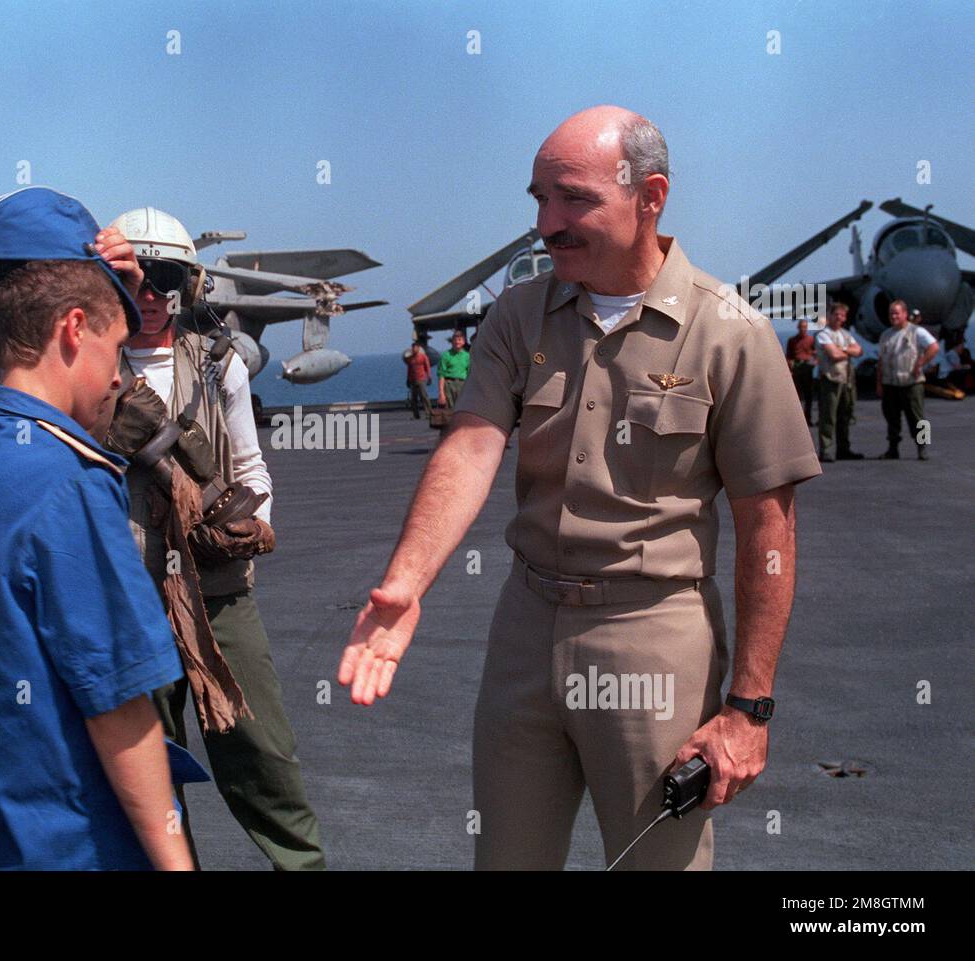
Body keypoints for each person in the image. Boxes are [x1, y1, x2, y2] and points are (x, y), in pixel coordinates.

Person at [338, 106, 820, 871]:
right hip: (525, 627)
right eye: (538, 199)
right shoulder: (519, 314)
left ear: (650, 195)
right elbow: (471, 446)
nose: (546, 223)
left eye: (573, 199)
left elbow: (769, 528)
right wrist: (405, 584)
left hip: (654, 635)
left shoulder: (731, 333)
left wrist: (748, 707)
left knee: (656, 863)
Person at [0, 188, 201, 870]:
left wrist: (110, 295)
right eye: (117, 347)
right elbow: (120, 714)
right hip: (69, 844)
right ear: (73, 329)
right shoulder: (68, 481)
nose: (116, 379)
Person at [101, 205, 326, 870]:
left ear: (186, 286)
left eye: (161, 278)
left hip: (219, 594)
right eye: (131, 277)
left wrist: (246, 525)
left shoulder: (218, 363)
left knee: (265, 758)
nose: (146, 293)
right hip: (128, 602)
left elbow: (252, 469)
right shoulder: (87, 371)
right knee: (149, 777)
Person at [876, 299, 939, 460]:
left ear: (905, 314)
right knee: (891, 418)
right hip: (890, 383)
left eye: (897, 313)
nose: (894, 316)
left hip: (911, 383)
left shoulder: (916, 332)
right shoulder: (886, 335)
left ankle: (922, 448)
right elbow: (881, 361)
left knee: (918, 418)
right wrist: (879, 383)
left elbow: (934, 347)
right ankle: (893, 448)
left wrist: (921, 363)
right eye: (891, 313)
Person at [815, 302, 864, 461]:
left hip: (846, 380)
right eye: (836, 314)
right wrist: (848, 352)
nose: (839, 318)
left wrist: (841, 350)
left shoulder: (845, 334)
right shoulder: (823, 334)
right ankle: (826, 450)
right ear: (830, 316)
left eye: (842, 315)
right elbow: (834, 355)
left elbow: (859, 350)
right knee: (828, 416)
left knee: (846, 415)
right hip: (830, 379)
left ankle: (844, 449)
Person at [785, 318, 816, 424]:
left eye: (805, 327)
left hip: (807, 367)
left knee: (808, 395)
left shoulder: (811, 339)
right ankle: (797, 420)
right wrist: (790, 368)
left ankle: (808, 419)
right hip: (797, 368)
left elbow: (816, 353)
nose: (803, 329)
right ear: (798, 328)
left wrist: (815, 362)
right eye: (801, 327)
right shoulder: (792, 340)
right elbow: (788, 355)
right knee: (796, 396)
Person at [437, 328, 471, 409]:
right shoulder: (446, 355)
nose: (457, 342)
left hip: (462, 384)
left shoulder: (467, 356)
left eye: (459, 340)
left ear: (463, 342)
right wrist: (441, 393)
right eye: (455, 340)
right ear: (452, 341)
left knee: (463, 409)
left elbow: (470, 374)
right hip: (449, 384)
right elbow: (441, 375)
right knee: (449, 410)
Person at [403, 341, 433, 418]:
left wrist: (429, 377)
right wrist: (408, 379)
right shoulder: (410, 358)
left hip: (421, 379)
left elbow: (427, 367)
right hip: (413, 380)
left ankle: (429, 413)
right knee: (413, 399)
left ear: (418, 348)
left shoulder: (423, 357)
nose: (413, 349)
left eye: (415, 347)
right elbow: (409, 369)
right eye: (413, 347)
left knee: (424, 397)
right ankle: (416, 415)